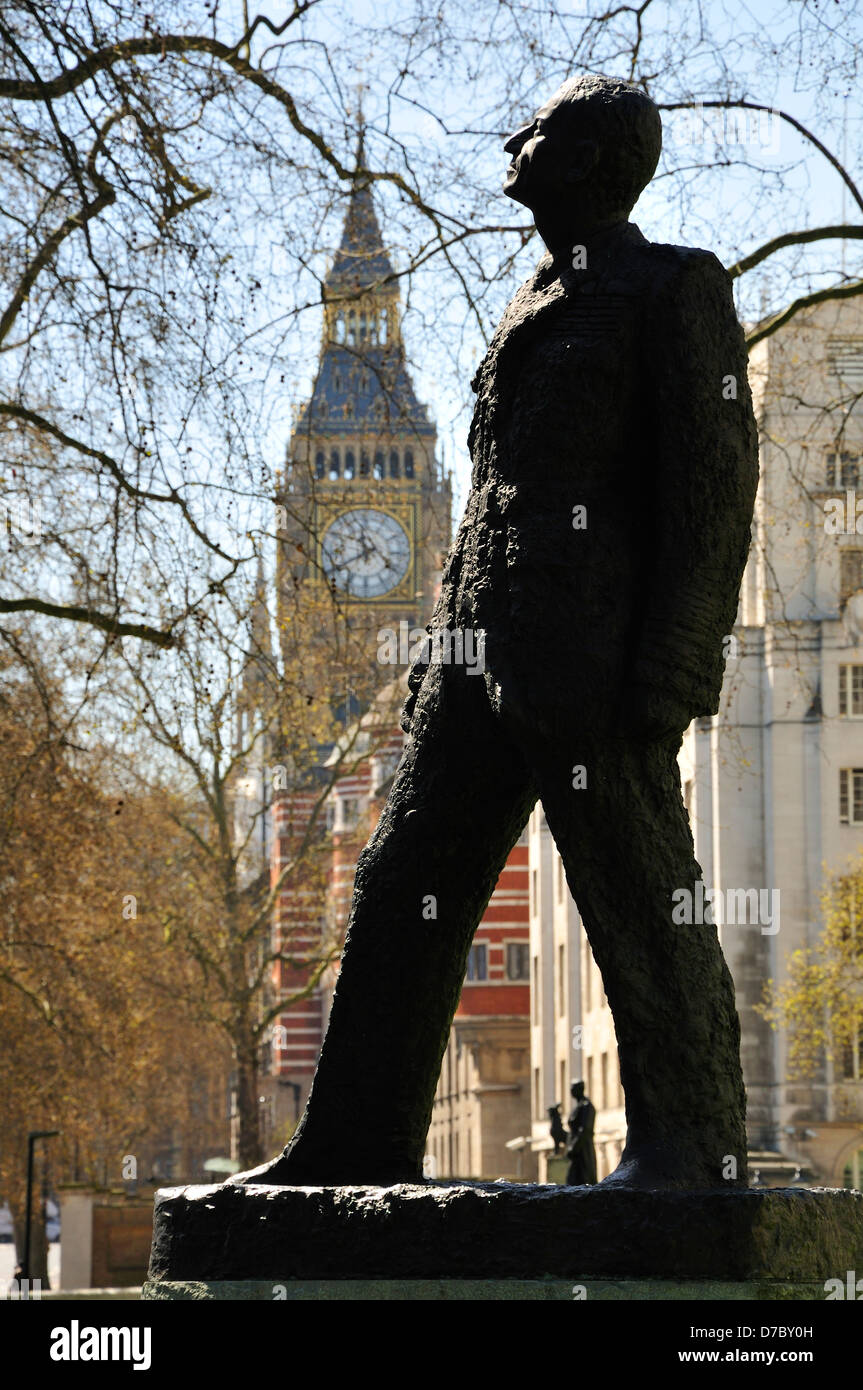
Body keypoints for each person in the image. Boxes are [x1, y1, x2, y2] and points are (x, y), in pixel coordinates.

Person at [237, 73, 758, 1191]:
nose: (512, 144)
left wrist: (676, 659)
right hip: (468, 658)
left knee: (636, 889)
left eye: (538, 133)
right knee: (394, 886)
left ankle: (691, 1147)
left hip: (591, 660)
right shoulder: (530, 302)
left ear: (586, 161)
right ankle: (349, 1141)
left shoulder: (672, 289)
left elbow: (714, 487)